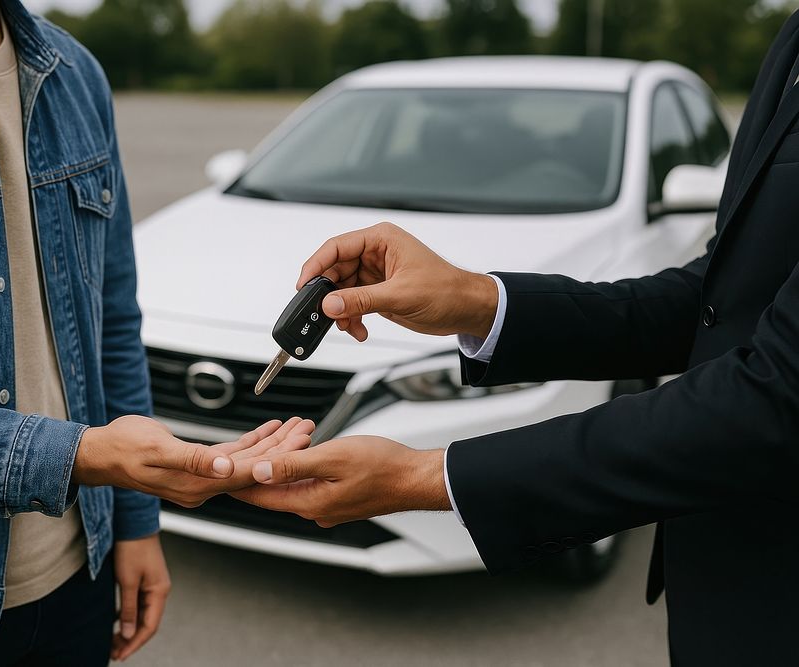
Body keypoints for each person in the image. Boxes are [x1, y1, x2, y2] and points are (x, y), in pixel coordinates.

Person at [235, 11, 799, 664]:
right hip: (719, 595)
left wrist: (429, 476)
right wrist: (474, 300)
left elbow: (775, 399)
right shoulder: (791, 39)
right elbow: (716, 301)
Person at [0, 1, 312, 665]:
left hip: (76, 581)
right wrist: (82, 456)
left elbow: (111, 322)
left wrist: (135, 521)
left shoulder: (76, 74)